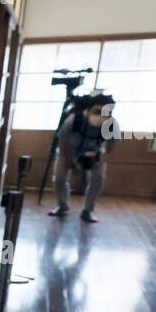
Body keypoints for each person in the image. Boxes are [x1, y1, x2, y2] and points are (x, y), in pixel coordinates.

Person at [48, 93, 116, 223]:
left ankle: (88, 210)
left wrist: (99, 161)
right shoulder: (74, 119)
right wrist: (72, 165)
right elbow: (63, 144)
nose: (100, 115)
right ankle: (62, 206)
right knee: (60, 178)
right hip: (69, 151)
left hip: (95, 152)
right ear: (89, 109)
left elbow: (110, 150)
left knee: (98, 179)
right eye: (97, 111)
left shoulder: (111, 125)